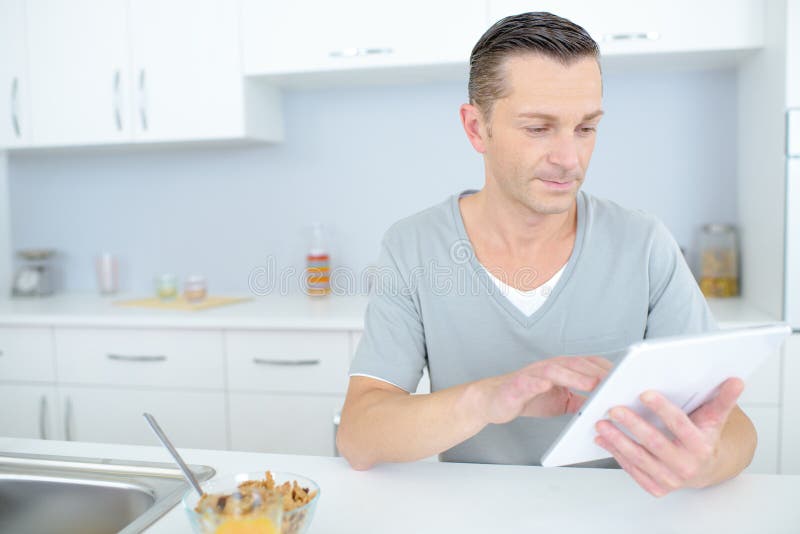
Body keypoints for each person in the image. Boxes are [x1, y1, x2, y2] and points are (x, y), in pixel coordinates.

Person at [336, 11, 756, 497]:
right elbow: (359, 435)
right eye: (539, 128)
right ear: (476, 128)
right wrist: (488, 399)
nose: (569, 159)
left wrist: (705, 462)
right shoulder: (414, 246)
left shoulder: (643, 244)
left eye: (585, 128)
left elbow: (735, 428)